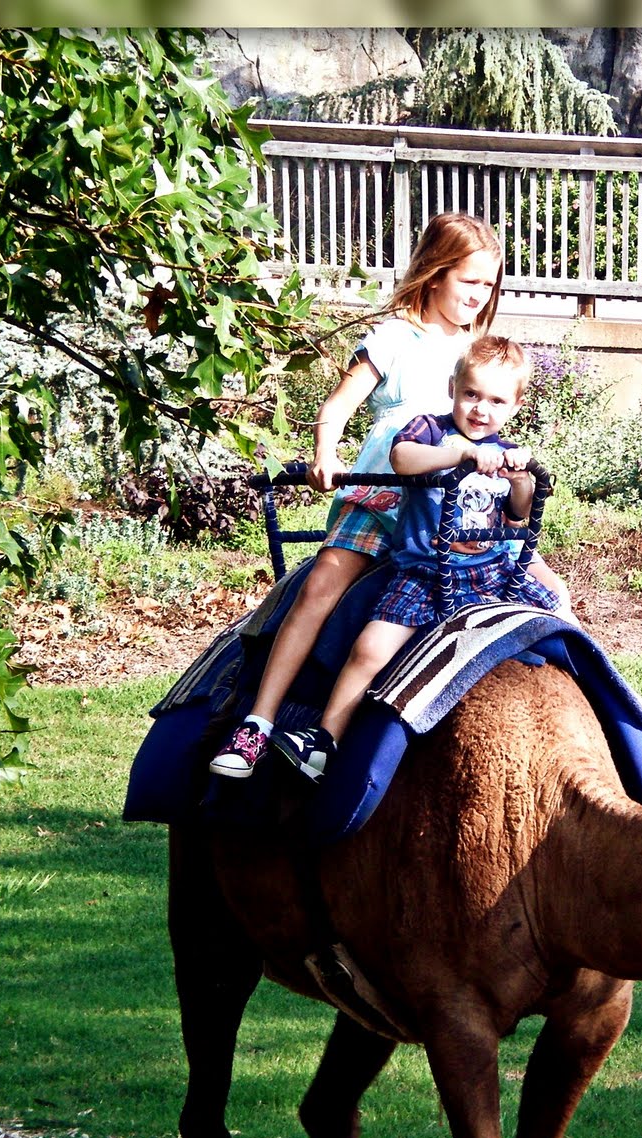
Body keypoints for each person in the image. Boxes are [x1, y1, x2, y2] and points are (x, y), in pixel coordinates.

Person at [211, 212, 573, 776]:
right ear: (435, 275)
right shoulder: (394, 338)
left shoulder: (481, 350)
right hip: (387, 492)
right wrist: (327, 455)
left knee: (547, 580)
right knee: (323, 582)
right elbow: (336, 409)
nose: (479, 295)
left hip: (459, 503)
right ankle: (258, 722)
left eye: (488, 284)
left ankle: (608, 708)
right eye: (468, 281)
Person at [268, 336, 556, 781]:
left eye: (496, 400)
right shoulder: (431, 430)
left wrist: (519, 477)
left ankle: (624, 714)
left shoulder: (504, 451)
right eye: (471, 394)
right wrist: (460, 452)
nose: (481, 409)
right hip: (424, 572)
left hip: (490, 574)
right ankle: (324, 738)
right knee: (370, 648)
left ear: (515, 407)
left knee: (558, 618)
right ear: (452, 389)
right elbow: (403, 459)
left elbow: (517, 516)